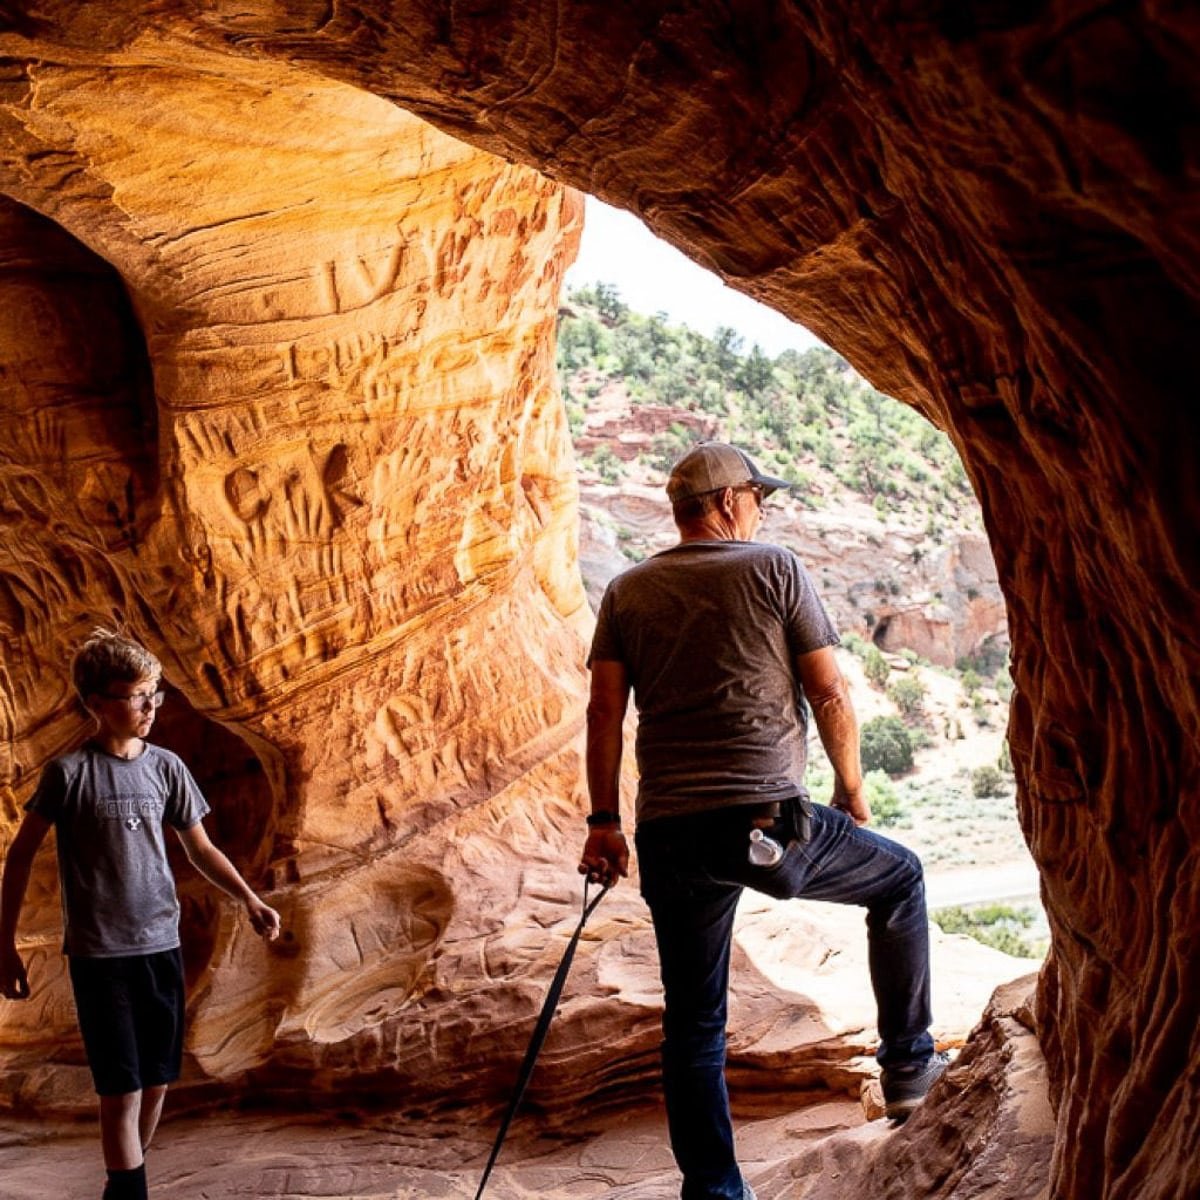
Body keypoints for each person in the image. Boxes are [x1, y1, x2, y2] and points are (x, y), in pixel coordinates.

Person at [579, 441, 945, 1200]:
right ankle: (910, 1068)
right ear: (724, 503)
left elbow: (604, 711)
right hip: (765, 820)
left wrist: (604, 822)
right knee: (899, 879)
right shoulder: (773, 567)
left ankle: (714, 1190)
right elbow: (830, 693)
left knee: (694, 1023)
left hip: (670, 833)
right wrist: (852, 791)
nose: (762, 509)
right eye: (756, 497)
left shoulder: (624, 592)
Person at [0, 630, 281, 1200]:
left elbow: (201, 848)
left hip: (161, 947)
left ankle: (120, 1185)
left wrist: (250, 899)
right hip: (102, 956)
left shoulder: (167, 768)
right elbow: (20, 855)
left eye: (155, 693)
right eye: (136, 695)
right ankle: (130, 1193)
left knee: (156, 1083)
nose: (151, 707)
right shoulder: (69, 773)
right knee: (122, 1090)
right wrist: (2, 945)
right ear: (97, 704)